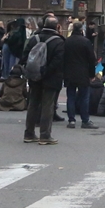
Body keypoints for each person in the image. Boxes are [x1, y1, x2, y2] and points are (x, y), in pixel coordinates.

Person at [23, 15, 66, 145]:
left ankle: (29, 133)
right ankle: (45, 135)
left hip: (34, 76)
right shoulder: (58, 41)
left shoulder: (34, 38)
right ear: (57, 26)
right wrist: (46, 72)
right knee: (48, 106)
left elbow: (25, 56)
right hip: (51, 78)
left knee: (33, 104)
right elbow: (58, 61)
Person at [63, 23, 99, 130]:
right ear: (81, 30)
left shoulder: (67, 41)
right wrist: (92, 74)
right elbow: (91, 60)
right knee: (84, 97)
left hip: (69, 72)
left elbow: (63, 57)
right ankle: (85, 120)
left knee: (70, 97)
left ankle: (71, 120)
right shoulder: (86, 42)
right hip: (83, 72)